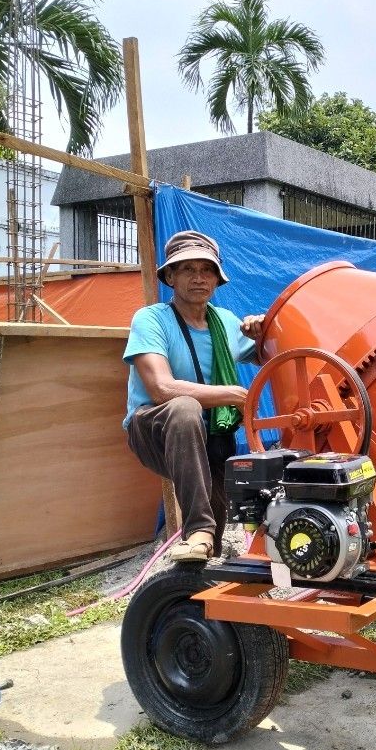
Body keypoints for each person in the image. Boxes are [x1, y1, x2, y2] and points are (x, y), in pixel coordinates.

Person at [123, 230, 264, 563]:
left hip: (212, 434)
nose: (199, 278)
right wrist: (232, 394)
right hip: (155, 428)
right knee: (184, 408)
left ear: (217, 278)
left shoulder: (225, 322)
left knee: (210, 539)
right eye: (188, 269)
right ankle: (198, 529)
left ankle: (201, 561)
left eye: (207, 270)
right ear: (170, 276)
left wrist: (263, 332)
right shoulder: (151, 319)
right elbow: (161, 389)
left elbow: (269, 356)